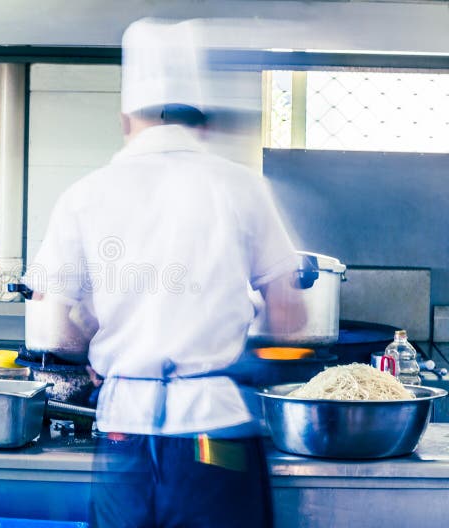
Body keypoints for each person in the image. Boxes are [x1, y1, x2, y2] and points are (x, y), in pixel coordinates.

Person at [23, 18, 303, 528]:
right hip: (215, 434)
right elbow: (290, 314)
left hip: (123, 429)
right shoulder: (240, 187)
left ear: (127, 119)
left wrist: (97, 344)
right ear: (204, 122)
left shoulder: (86, 194)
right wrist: (246, 343)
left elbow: (51, 328)